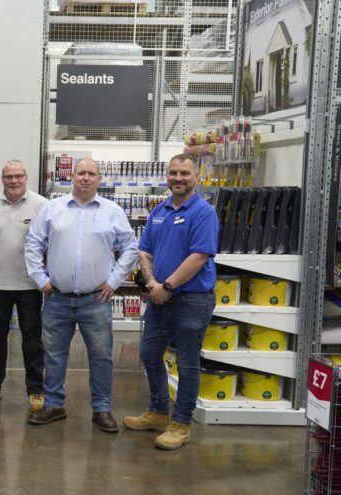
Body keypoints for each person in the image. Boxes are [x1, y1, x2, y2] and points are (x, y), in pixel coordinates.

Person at [25, 158, 138, 432]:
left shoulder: (112, 211)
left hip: (95, 300)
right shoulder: (53, 209)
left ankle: (101, 409)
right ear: (72, 177)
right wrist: (40, 278)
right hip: (57, 299)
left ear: (99, 179)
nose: (86, 178)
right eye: (81, 173)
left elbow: (131, 248)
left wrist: (113, 281)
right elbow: (32, 243)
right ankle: (54, 404)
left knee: (101, 356)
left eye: (91, 174)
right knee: (53, 355)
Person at [123, 154, 217, 450]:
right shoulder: (159, 211)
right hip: (159, 297)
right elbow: (144, 251)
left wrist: (167, 286)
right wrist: (152, 283)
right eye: (174, 172)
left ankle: (181, 424)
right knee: (150, 354)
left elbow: (199, 257)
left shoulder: (203, 212)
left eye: (184, 173)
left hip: (192, 300)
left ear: (197, 176)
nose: (178, 178)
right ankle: (159, 412)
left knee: (187, 363)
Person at [0, 159, 48, 414]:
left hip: (29, 285)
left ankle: (36, 389)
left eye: (18, 176)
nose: (14, 181)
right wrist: (0, 256)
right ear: (2, 179)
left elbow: (50, 242)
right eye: (8, 177)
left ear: (26, 177)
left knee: (32, 339)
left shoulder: (41, 205)